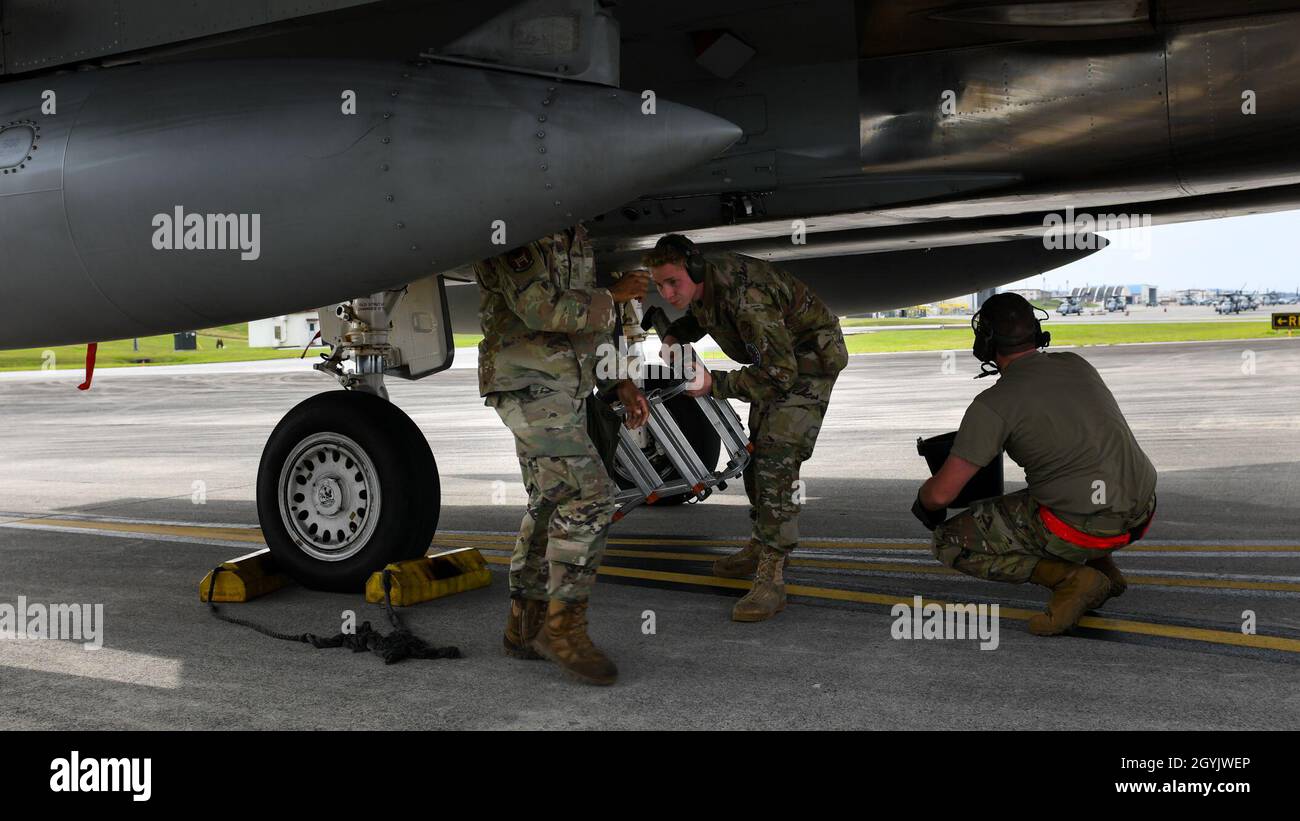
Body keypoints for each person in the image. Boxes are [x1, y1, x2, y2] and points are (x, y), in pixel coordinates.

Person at [913, 293, 1158, 635]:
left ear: (986, 341)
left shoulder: (994, 404)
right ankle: (1105, 571)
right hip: (1142, 511)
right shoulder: (1077, 364)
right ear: (1037, 332)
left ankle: (1074, 579)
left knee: (948, 542)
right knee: (1065, 483)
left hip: (1083, 526)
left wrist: (924, 504)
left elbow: (941, 495)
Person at [474, 224, 650, 685]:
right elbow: (541, 310)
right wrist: (613, 295)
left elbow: (587, 324)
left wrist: (619, 380)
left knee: (550, 499)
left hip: (564, 387)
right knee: (590, 495)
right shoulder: (517, 228)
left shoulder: (575, 236)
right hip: (527, 384)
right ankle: (563, 629)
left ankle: (524, 625)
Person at [644, 234, 847, 622]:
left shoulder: (746, 297)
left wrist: (714, 384)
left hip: (807, 365)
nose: (668, 293)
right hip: (777, 367)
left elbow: (781, 373)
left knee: (775, 460)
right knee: (753, 457)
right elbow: (703, 314)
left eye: (674, 283)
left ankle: (772, 576)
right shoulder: (707, 284)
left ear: (696, 270)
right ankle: (760, 543)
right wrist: (675, 334)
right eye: (660, 286)